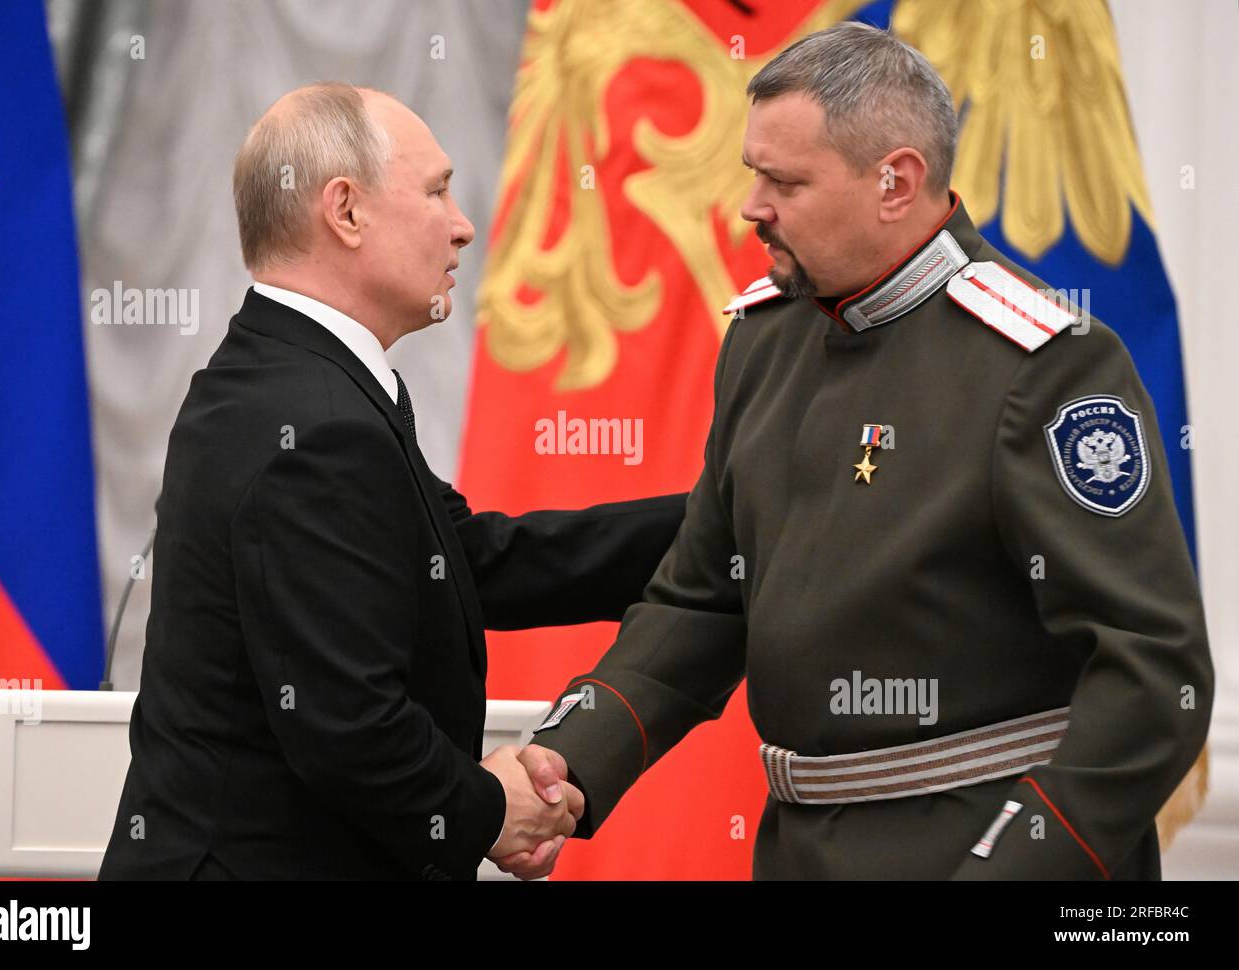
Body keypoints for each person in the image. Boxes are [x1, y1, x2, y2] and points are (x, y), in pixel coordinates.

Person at [528, 22, 1213, 880]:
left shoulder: (1046, 362)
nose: (751, 207)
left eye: (785, 181)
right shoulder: (762, 341)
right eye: (754, 174)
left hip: (980, 849)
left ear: (897, 181)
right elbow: (702, 600)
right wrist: (570, 762)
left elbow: (1153, 669)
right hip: (797, 850)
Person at [98, 83, 686, 881]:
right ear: (345, 212)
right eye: (437, 190)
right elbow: (347, 724)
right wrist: (490, 811)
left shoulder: (287, 377)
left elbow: (470, 561)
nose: (462, 224)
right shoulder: (316, 418)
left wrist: (719, 523)